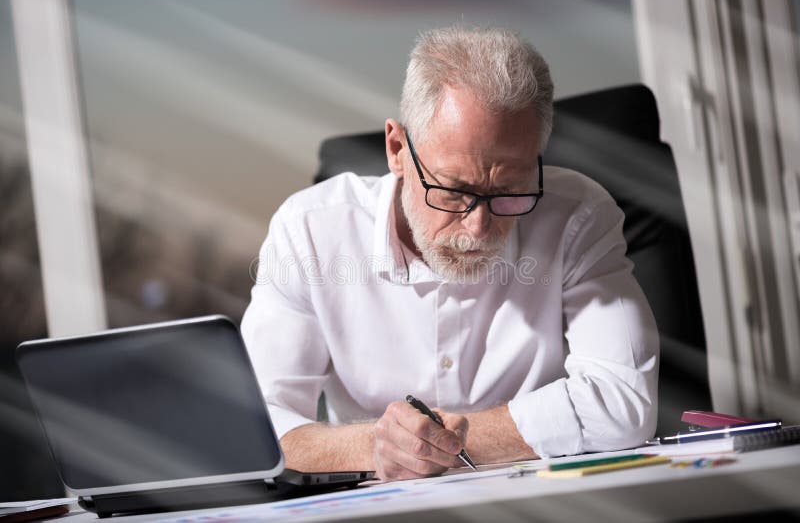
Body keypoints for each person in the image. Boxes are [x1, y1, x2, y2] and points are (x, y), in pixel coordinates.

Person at [241, 26, 658, 481]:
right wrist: (374, 446)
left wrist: (434, 446)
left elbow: (624, 401)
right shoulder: (310, 232)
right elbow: (255, 430)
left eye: (509, 190)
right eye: (455, 190)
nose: (479, 226)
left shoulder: (577, 216)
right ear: (398, 149)